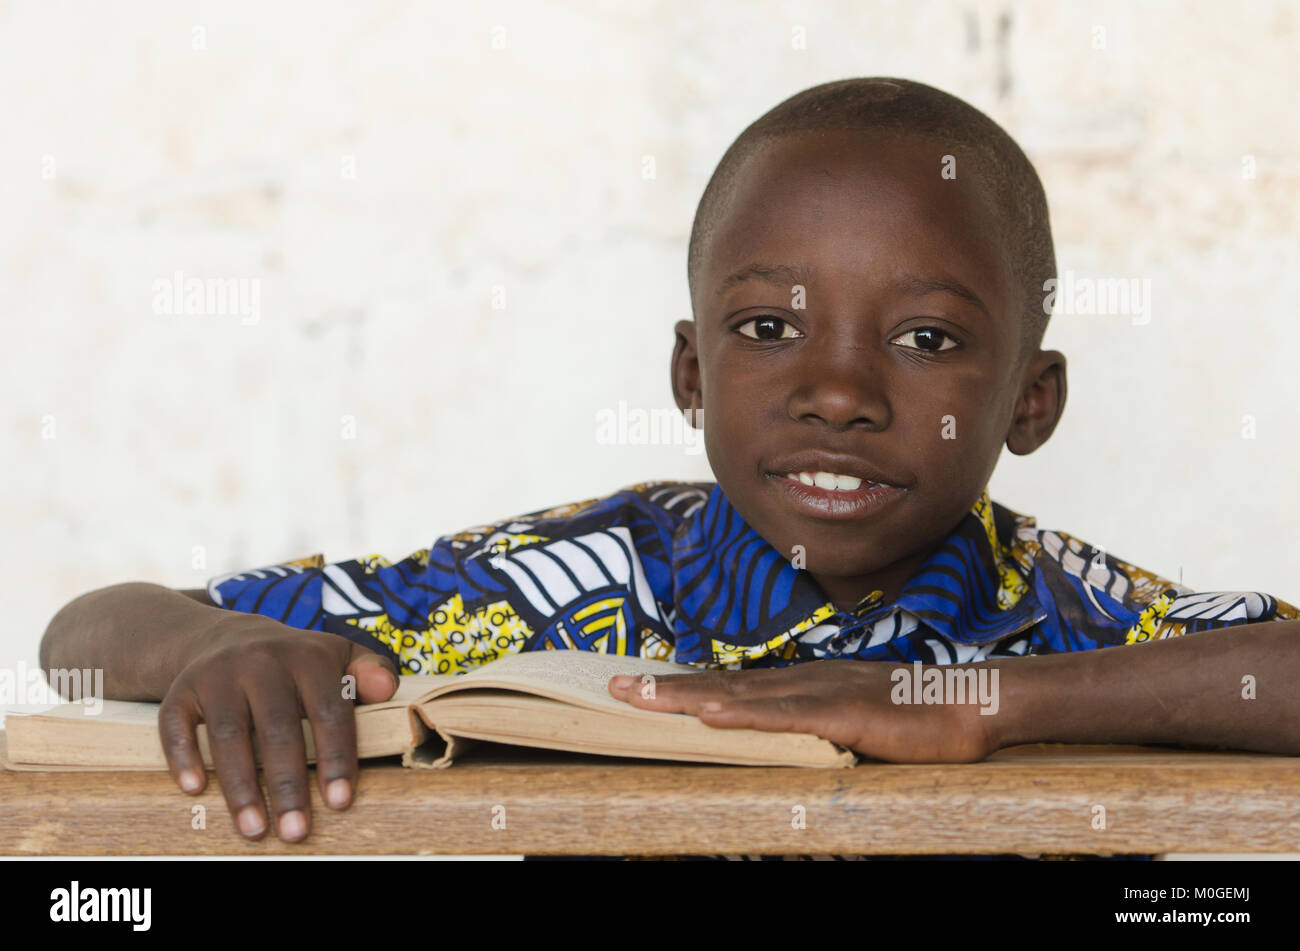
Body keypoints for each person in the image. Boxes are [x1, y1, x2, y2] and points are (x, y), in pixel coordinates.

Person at [40, 78, 1299, 854]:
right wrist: (211, 654)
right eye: (767, 330)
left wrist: (981, 705)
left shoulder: (1071, 613)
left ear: (1031, 402)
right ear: (690, 375)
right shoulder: (551, 583)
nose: (839, 393)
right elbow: (83, 634)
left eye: (924, 340)